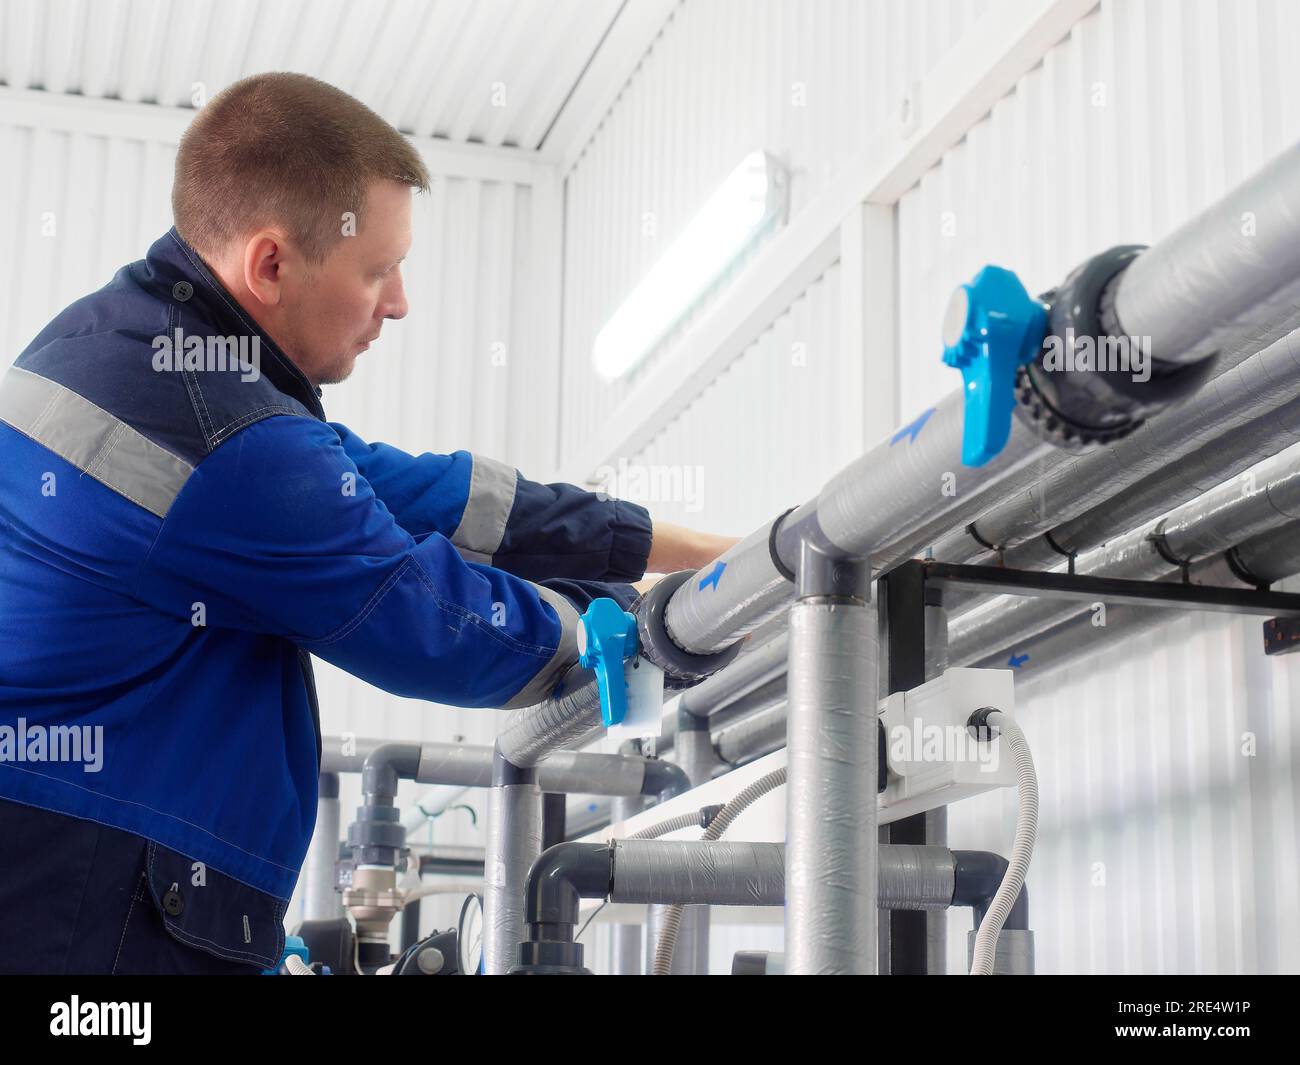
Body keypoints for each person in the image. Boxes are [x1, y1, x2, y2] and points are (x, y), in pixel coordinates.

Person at [0, 72, 735, 974]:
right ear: (270, 263)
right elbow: (435, 623)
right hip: (88, 914)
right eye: (377, 269)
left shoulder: (129, 348)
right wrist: (645, 626)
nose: (398, 302)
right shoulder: (226, 435)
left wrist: (711, 553)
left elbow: (421, 494)